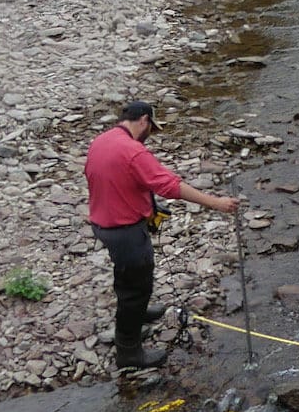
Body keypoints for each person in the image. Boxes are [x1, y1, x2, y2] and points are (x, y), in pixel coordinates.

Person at [84, 100, 238, 370]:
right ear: (143, 120)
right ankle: (129, 352)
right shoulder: (133, 151)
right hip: (125, 231)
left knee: (126, 276)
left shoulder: (102, 141)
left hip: (103, 223)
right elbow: (169, 186)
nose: (150, 134)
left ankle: (140, 314)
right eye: (151, 128)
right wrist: (216, 203)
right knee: (136, 287)